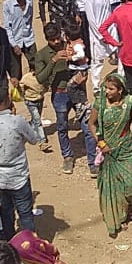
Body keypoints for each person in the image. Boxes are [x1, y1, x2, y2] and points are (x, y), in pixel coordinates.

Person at [89, 74, 132, 238]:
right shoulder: (100, 102)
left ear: (120, 90)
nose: (107, 92)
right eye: (106, 88)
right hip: (107, 150)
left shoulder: (130, 102)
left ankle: (128, 205)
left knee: (129, 185)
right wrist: (100, 142)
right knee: (113, 185)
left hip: (125, 148)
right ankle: (120, 216)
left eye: (111, 89)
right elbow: (92, 124)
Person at [0, 79, 39, 240]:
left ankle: (10, 244)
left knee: (5, 213)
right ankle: (30, 246)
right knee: (25, 214)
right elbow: (34, 139)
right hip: (19, 176)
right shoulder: (18, 121)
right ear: (9, 98)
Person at [36, 22, 98, 176]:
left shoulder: (72, 45)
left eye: (58, 38)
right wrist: (54, 60)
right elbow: (40, 78)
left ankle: (92, 161)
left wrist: (84, 75)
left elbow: (85, 61)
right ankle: (68, 157)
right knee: (62, 126)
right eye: (53, 40)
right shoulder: (42, 54)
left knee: (88, 126)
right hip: (60, 94)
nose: (57, 42)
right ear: (47, 39)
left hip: (78, 92)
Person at [2, 0, 37, 78]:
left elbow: (30, 18)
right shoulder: (7, 5)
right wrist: (14, 45)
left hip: (29, 39)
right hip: (15, 40)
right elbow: (7, 27)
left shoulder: (29, 1)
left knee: (35, 64)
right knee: (16, 70)